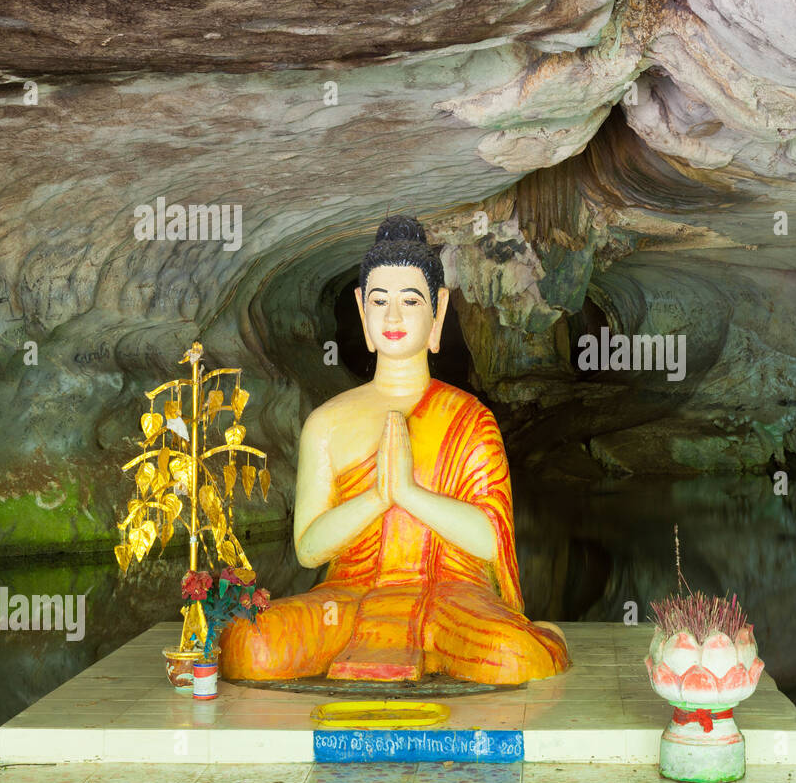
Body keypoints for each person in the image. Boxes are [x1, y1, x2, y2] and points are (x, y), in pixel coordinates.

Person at [220, 215, 569, 683]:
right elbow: (308, 550)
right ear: (362, 307)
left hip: (448, 596)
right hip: (349, 596)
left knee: (512, 658)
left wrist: (408, 493)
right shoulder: (327, 421)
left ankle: (536, 636)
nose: (393, 317)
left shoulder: (469, 417)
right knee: (249, 646)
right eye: (380, 301)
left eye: (411, 300)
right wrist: (376, 498)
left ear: (438, 311)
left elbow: (489, 540)